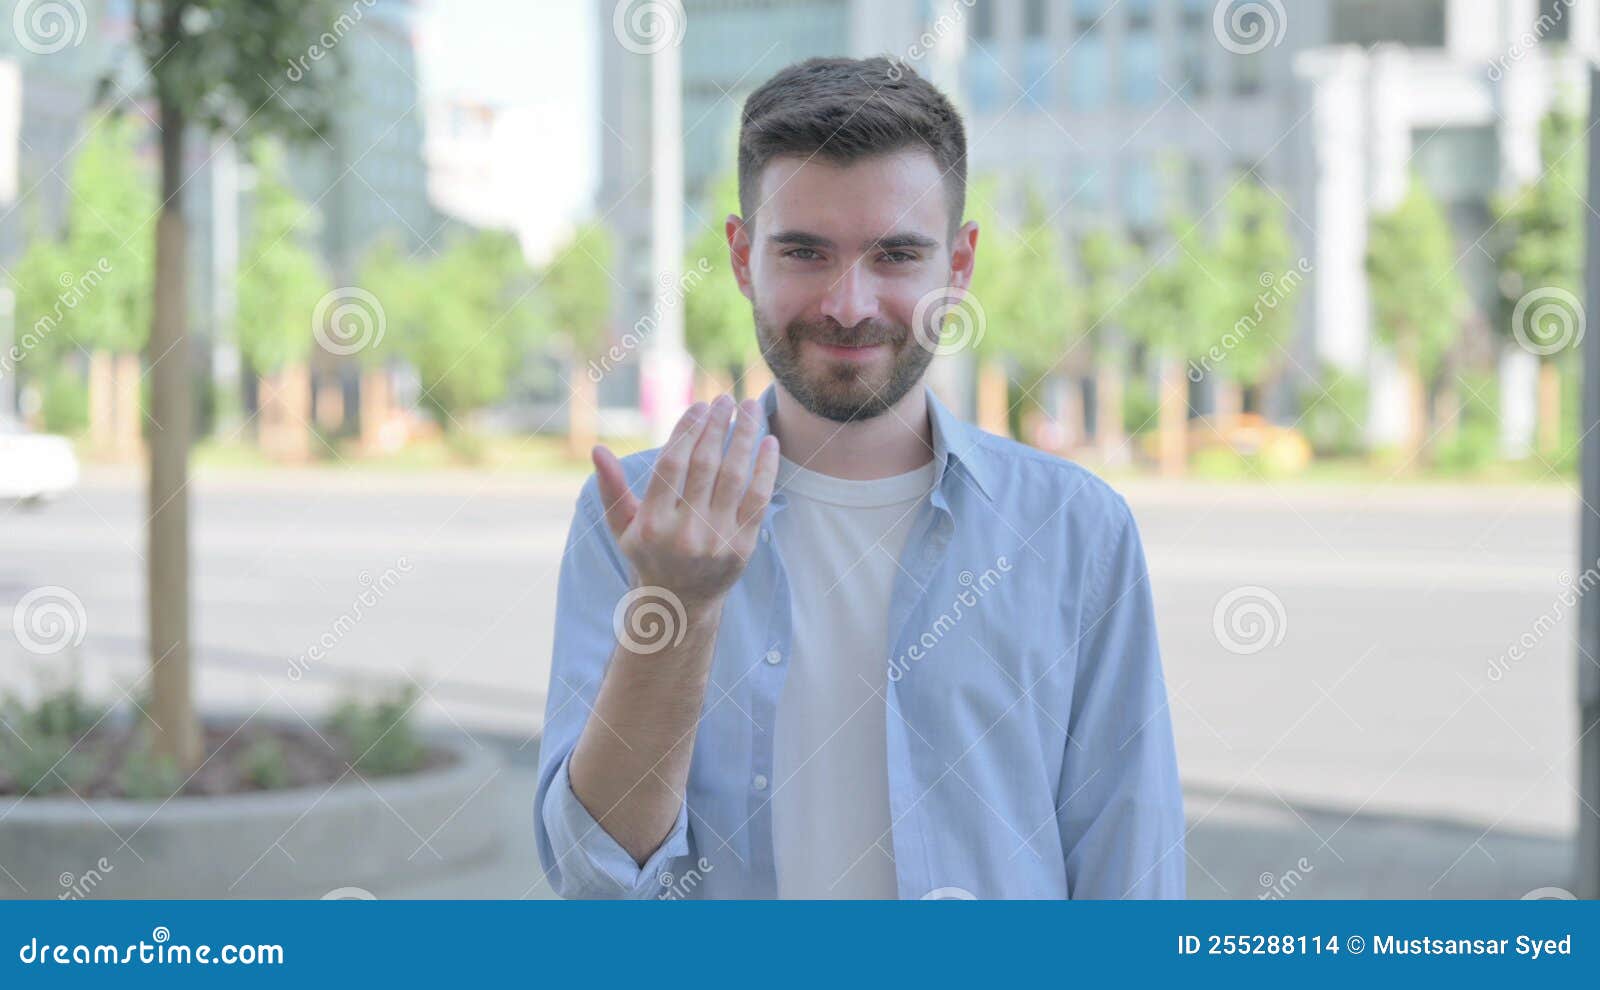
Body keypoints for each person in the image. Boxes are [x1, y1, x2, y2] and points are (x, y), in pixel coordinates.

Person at [535, 56, 1184, 899]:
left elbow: (1131, 872)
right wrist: (681, 608)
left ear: (958, 265)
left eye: (896, 255)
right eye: (805, 251)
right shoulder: (637, 515)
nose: (849, 303)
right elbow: (597, 876)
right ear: (741, 257)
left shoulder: (1076, 529)